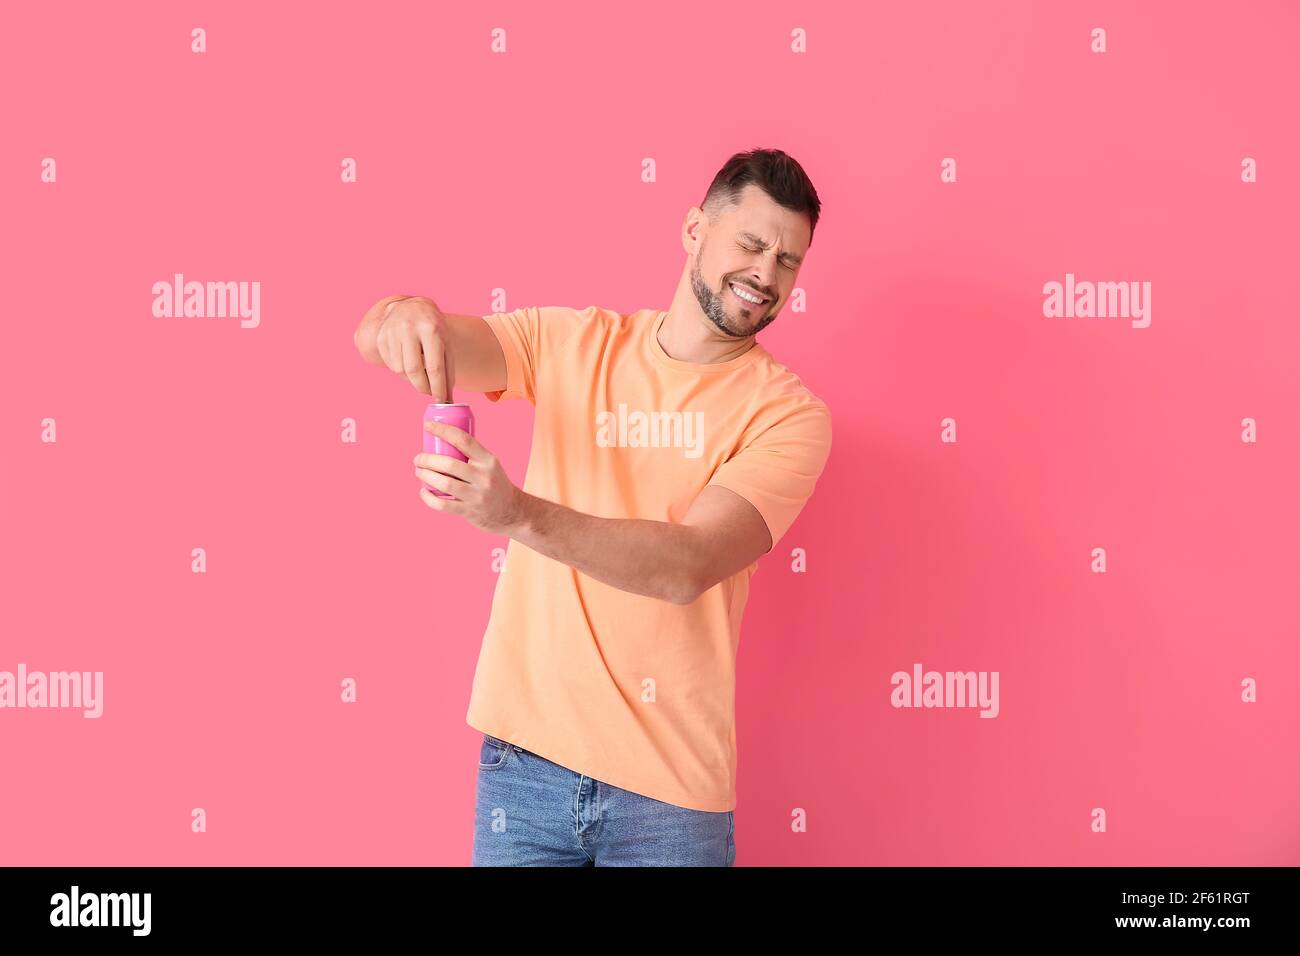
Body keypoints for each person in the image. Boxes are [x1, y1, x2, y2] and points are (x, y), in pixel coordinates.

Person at [354, 148, 832, 866]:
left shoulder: (789, 416)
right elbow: (405, 342)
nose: (767, 275)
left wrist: (516, 514)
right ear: (695, 230)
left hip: (669, 802)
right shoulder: (574, 343)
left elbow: (688, 565)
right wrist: (403, 313)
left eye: (789, 261)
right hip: (527, 767)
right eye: (753, 243)